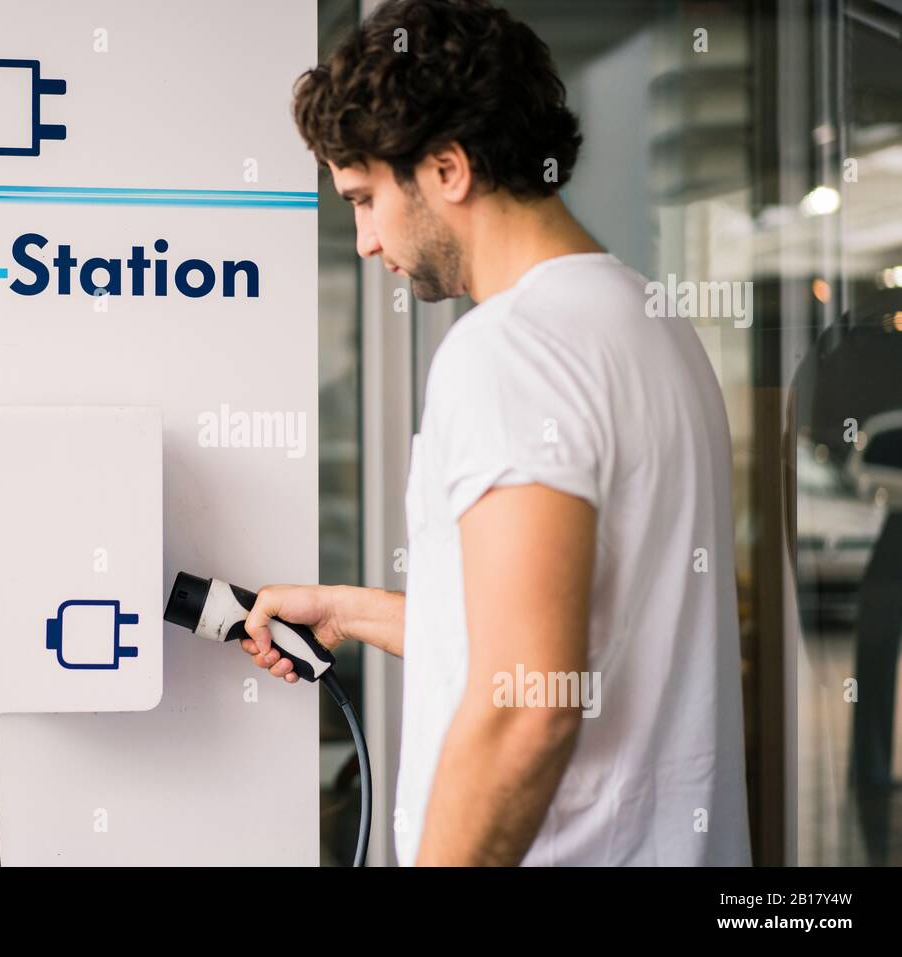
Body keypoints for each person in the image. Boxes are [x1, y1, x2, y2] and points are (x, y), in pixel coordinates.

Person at [241, 0, 751, 866]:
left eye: (367, 199)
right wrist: (352, 611)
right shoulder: (648, 321)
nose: (364, 241)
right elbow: (561, 633)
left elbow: (528, 706)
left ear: (446, 168)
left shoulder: (509, 349)